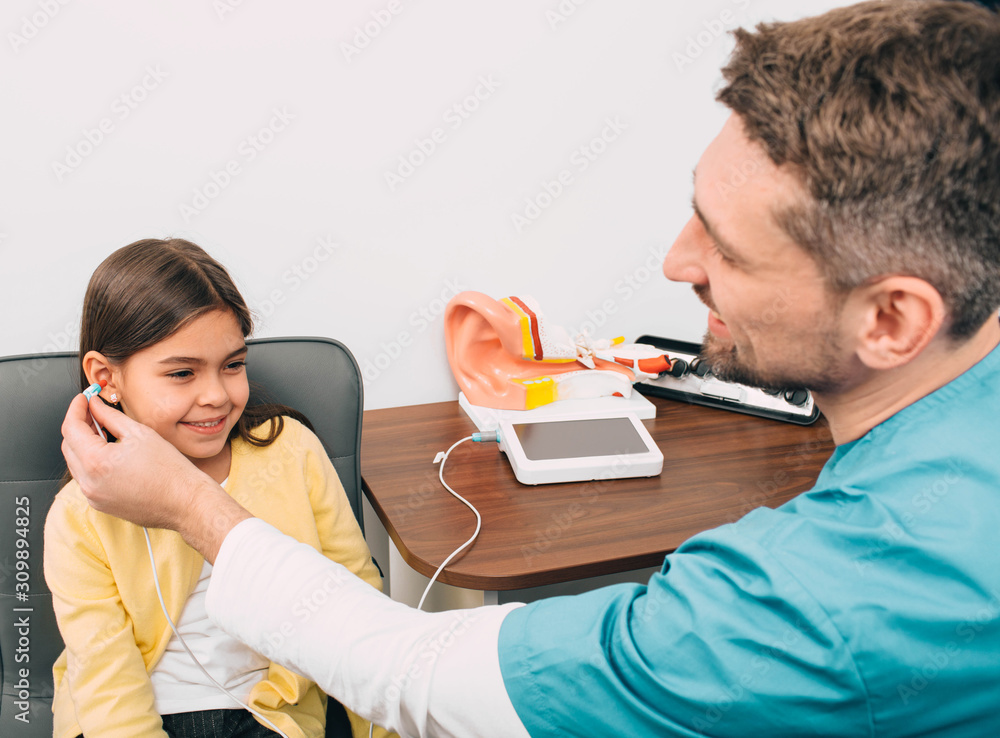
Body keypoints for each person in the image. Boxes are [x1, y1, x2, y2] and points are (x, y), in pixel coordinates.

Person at [60, 1, 1000, 736]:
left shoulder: (824, 600)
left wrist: (189, 508)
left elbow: (417, 676)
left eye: (728, 247)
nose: (678, 262)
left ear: (892, 318)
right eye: (692, 211)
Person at [44, 239, 393, 738]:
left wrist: (382, 729)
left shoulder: (291, 452)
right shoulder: (81, 512)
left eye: (232, 365)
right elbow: (108, 689)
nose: (216, 395)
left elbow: (356, 600)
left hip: (271, 716)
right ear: (106, 379)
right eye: (182, 373)